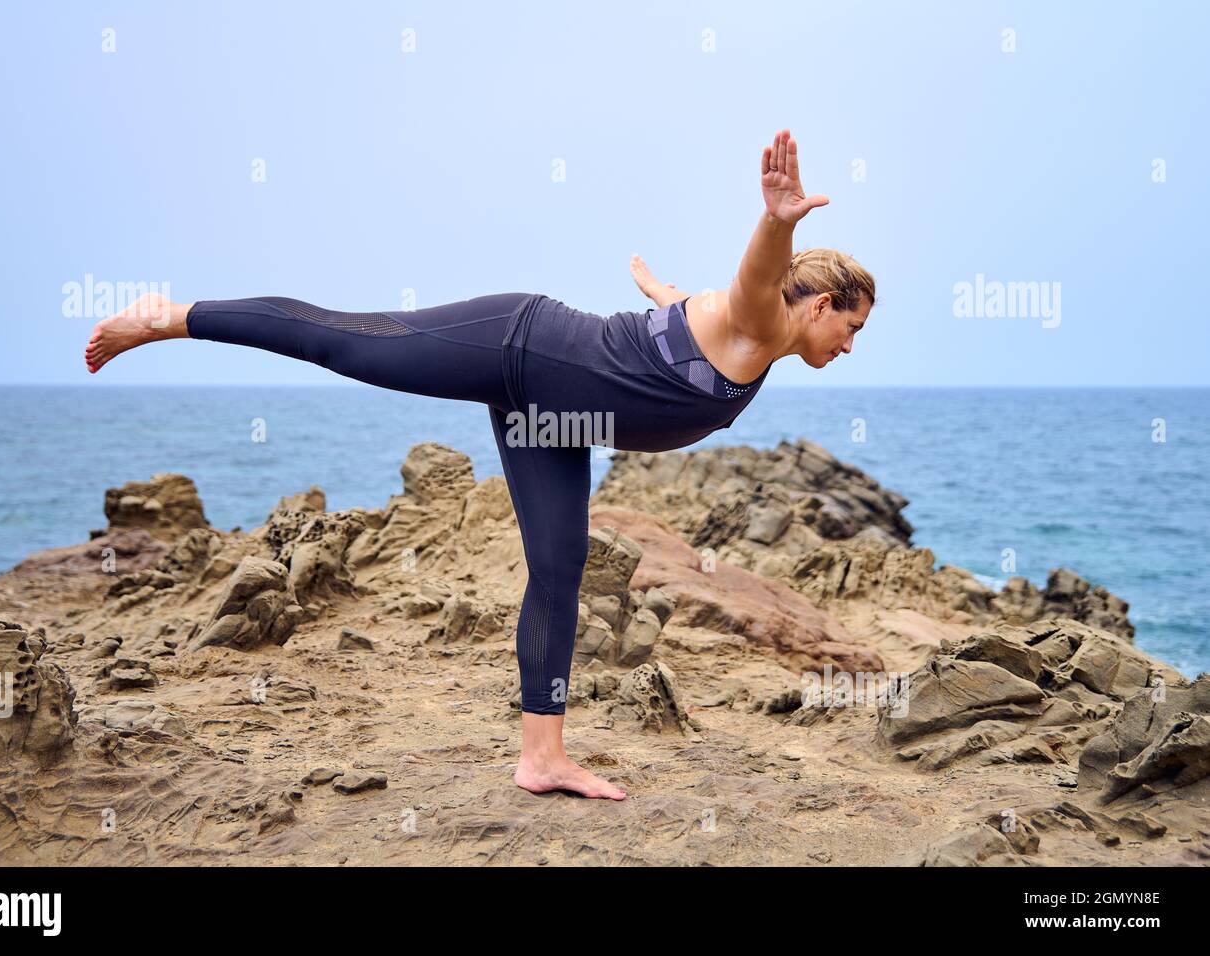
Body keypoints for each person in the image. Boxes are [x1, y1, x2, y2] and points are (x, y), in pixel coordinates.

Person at [84, 129, 875, 800]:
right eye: (852, 326)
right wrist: (774, 223)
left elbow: (678, 304)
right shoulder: (759, 315)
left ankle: (542, 756)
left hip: (558, 419)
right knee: (345, 339)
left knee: (560, 568)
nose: (850, 346)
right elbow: (754, 277)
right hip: (518, 344)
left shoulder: (755, 336)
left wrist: (654, 288)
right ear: (816, 302)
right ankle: (171, 317)